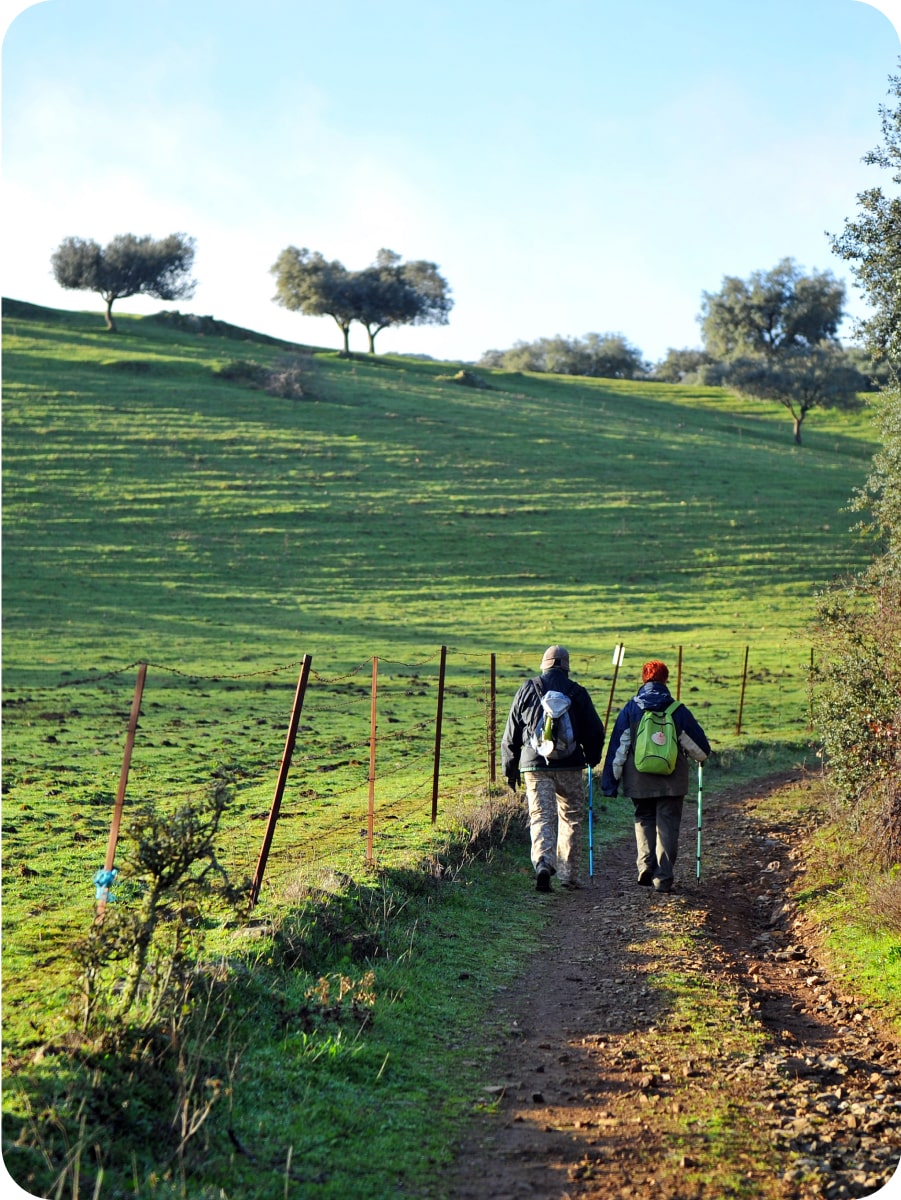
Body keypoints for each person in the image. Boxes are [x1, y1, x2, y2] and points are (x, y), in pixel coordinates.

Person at [501, 645, 605, 892]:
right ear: (567, 667)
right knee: (571, 818)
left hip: (535, 766)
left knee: (541, 815)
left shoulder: (528, 689)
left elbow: (511, 733)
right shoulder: (577, 693)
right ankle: (568, 875)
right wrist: (591, 758)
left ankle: (543, 864)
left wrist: (510, 769)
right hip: (570, 766)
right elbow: (595, 731)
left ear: (544, 664)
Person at [600, 659, 710, 893]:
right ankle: (663, 878)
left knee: (644, 817)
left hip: (639, 778)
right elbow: (700, 751)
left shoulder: (631, 708)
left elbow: (618, 749)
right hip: (672, 780)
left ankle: (645, 865)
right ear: (665, 679)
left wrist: (610, 784)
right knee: (668, 824)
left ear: (644, 679)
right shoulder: (677, 710)